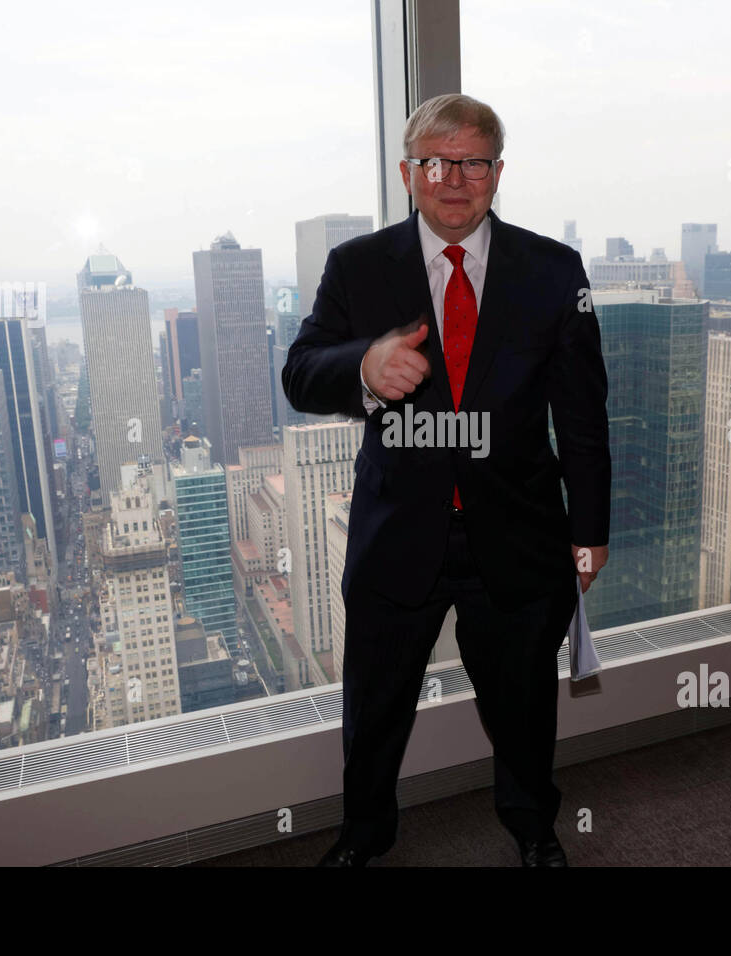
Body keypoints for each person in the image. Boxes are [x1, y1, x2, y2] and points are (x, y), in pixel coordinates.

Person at [282, 93, 611, 867]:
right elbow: (299, 373)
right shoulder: (358, 268)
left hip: (522, 534)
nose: (452, 178)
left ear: (497, 173)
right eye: (434, 161)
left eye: (472, 161)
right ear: (407, 172)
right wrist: (363, 365)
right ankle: (365, 836)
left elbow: (585, 417)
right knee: (375, 705)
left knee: (524, 704)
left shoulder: (554, 271)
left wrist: (589, 533)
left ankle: (534, 830)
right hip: (398, 532)